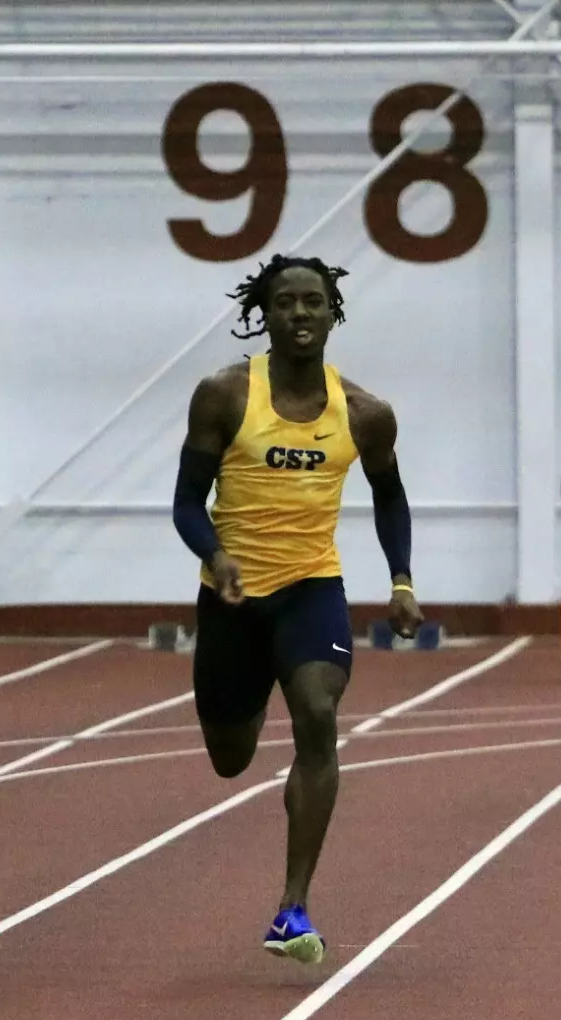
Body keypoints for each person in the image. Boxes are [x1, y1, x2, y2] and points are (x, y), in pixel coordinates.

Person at [171, 253, 422, 965]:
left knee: (317, 712)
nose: (302, 314)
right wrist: (218, 556)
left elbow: (390, 496)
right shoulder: (223, 395)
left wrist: (401, 580)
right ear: (266, 313)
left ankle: (292, 905)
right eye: (287, 303)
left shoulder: (366, 414)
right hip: (233, 598)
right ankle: (249, 712)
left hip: (312, 588)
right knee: (230, 756)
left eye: (315, 302)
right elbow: (188, 502)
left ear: (333, 312)